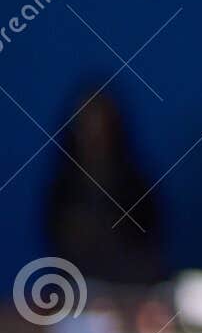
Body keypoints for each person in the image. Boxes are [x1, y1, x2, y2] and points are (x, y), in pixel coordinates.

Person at [45, 85, 166, 285]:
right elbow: (57, 244)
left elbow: (149, 241)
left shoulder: (136, 183)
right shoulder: (62, 187)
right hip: (76, 288)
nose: (93, 130)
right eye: (85, 122)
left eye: (99, 120)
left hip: (133, 288)